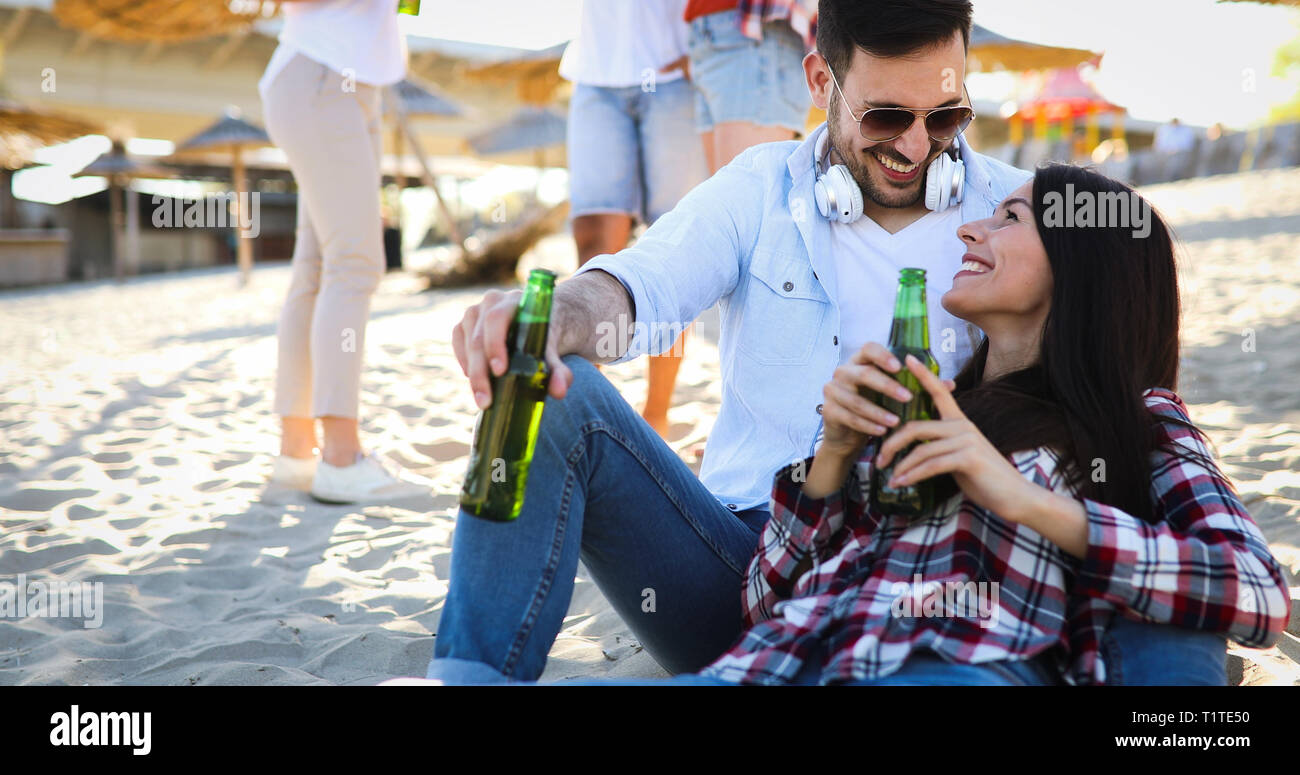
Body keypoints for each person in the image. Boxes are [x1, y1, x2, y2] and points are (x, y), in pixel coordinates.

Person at [433, 0, 1233, 685]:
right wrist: (548, 316)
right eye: (886, 116)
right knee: (550, 384)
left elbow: (1113, 355)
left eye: (946, 117)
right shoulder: (761, 185)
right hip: (748, 556)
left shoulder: (1014, 217)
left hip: (919, 570)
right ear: (821, 82)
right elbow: (639, 286)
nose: (918, 147)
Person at [261, 0, 428, 503]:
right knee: (355, 263)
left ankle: (297, 452)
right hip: (320, 74)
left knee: (316, 269)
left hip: (342, 80)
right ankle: (340, 455)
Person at [559, 0, 709, 438]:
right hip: (593, 70)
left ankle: (656, 416)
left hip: (673, 73)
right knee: (592, 238)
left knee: (672, 244)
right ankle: (594, 410)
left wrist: (701, 48)